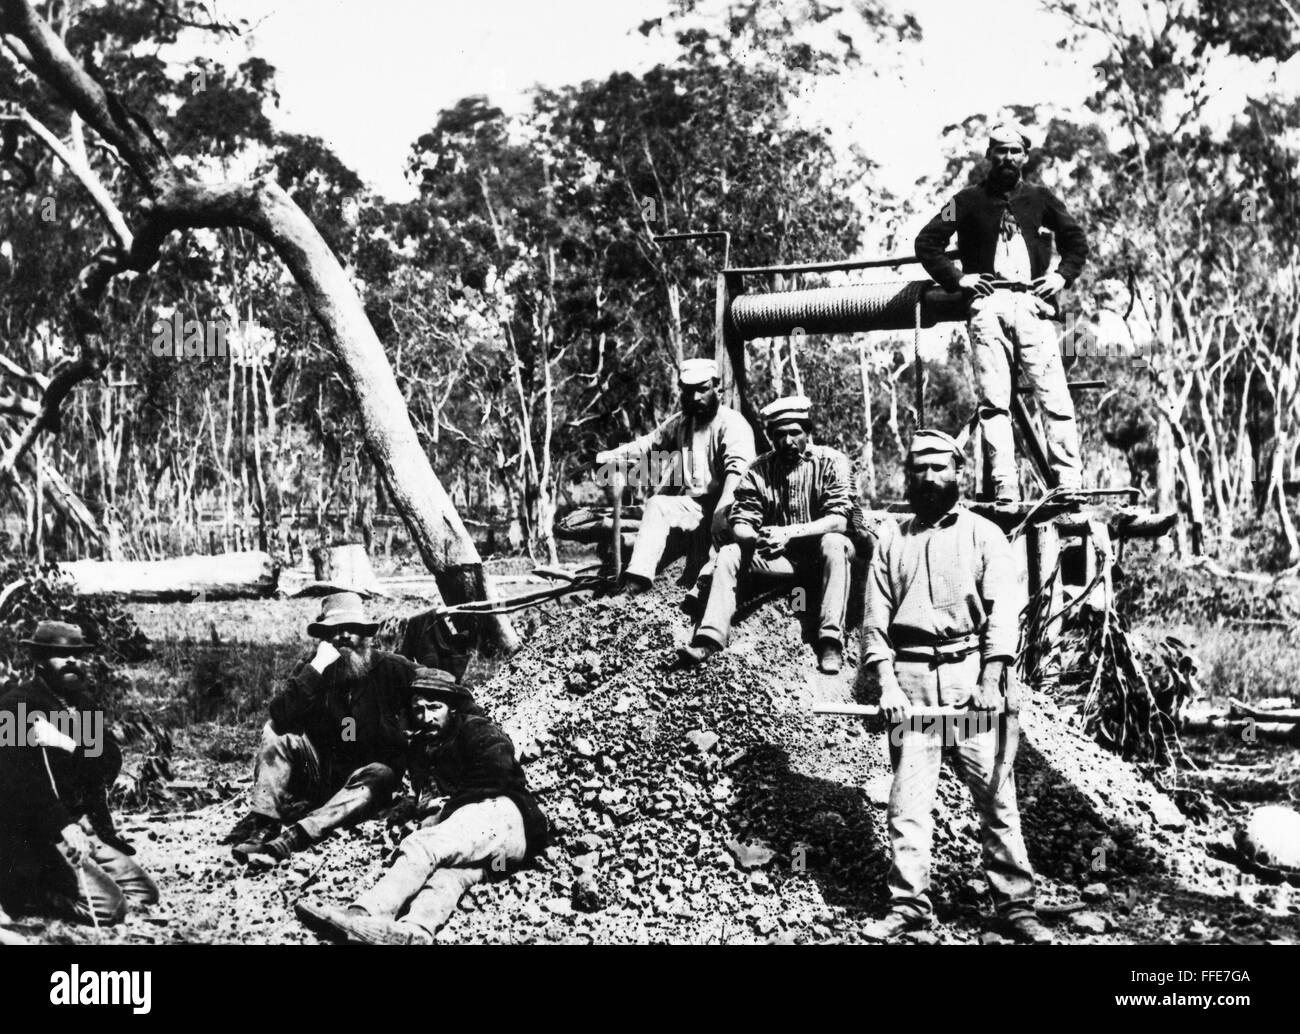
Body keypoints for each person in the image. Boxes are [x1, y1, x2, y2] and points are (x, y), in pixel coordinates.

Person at [859, 429, 1049, 943]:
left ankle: (1015, 905)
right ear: (907, 474)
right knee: (907, 803)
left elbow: (1003, 615)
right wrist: (887, 685)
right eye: (919, 467)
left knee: (995, 798)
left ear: (958, 472)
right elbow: (874, 624)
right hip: (913, 681)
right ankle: (909, 905)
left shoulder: (985, 535)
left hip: (969, 680)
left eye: (939, 467)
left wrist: (992, 677)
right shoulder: (890, 540)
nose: (928, 477)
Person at [294, 669, 547, 944]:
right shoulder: (422, 748)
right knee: (449, 875)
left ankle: (361, 913)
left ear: (452, 708)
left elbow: (498, 773)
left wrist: (444, 812)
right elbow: (423, 794)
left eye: (435, 707)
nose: (427, 717)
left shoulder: (476, 729)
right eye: (419, 710)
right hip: (500, 852)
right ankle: (415, 931)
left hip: (503, 815)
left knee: (423, 845)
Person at [915, 122, 1089, 501]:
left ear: (1025, 156)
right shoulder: (965, 201)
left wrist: (1060, 277)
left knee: (1054, 397)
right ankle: (1004, 485)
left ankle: (1069, 484)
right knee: (994, 402)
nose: (1007, 158)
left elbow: (1076, 240)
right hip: (987, 306)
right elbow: (927, 242)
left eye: (1014, 151)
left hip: (1032, 304)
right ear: (989, 155)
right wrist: (958, 280)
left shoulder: (1042, 199)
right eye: (1000, 150)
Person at [222, 591, 416, 866]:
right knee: (276, 732)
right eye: (336, 630)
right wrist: (316, 668)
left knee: (380, 772)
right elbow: (280, 714)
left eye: (353, 629)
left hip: (370, 780)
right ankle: (265, 823)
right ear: (325, 637)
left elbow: (437, 689)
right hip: (323, 776)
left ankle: (293, 838)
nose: (345, 636)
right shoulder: (313, 669)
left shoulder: (392, 668)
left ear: (365, 635)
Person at [677, 395, 855, 674]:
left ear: (808, 433)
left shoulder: (832, 462)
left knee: (836, 542)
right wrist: (756, 538)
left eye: (795, 433)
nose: (787, 442)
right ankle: (708, 638)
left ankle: (830, 641)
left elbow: (839, 520)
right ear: (771, 437)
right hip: (780, 561)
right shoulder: (758, 471)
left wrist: (789, 532)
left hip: (822, 557)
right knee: (730, 552)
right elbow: (742, 522)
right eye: (779, 435)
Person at [0, 621, 158, 926]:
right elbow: (18, 783)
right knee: (110, 910)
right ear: (40, 661)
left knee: (144, 893)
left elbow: (108, 762)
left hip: (82, 828)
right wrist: (63, 825)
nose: (72, 662)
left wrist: (67, 744)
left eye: (77, 655)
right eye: (60, 654)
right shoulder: (14, 707)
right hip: (40, 836)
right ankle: (27, 894)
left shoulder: (82, 706)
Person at [595, 357, 755, 592]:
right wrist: (608, 457)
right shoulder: (681, 423)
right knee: (657, 504)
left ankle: (704, 589)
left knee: (720, 557)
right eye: (689, 392)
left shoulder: (732, 424)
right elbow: (648, 445)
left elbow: (737, 474)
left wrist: (721, 514)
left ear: (717, 388)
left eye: (703, 389)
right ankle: (636, 582)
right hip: (698, 504)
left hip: (734, 505)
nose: (696, 398)